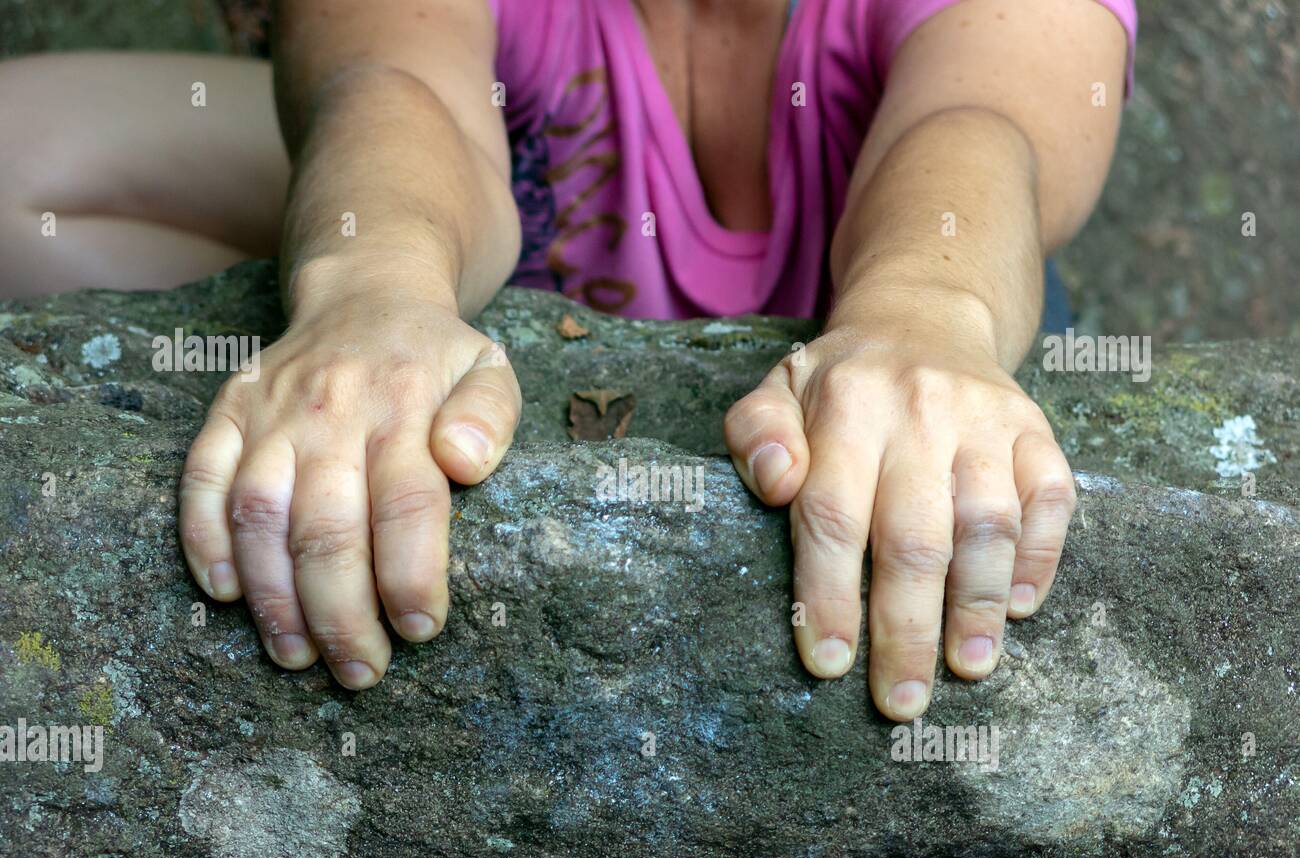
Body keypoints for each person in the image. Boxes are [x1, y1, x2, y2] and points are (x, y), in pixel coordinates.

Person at [0, 0, 1136, 719]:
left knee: (964, 318)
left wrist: (924, 318)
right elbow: (398, 84)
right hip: (485, 190)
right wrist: (372, 292)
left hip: (897, 264)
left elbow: (982, 125)